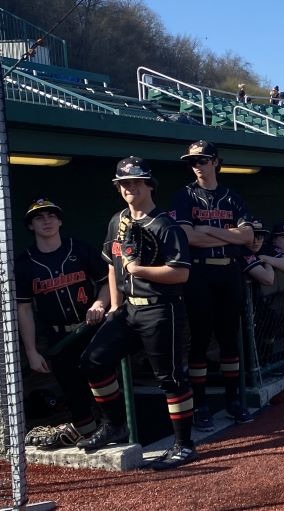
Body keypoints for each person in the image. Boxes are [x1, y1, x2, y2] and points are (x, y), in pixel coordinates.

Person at [77, 157, 197, 470]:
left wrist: (139, 269)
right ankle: (116, 425)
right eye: (124, 184)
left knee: (171, 379)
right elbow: (110, 263)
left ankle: (184, 445)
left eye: (136, 182)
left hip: (162, 309)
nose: (130, 188)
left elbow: (180, 273)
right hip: (128, 309)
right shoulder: (117, 221)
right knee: (93, 360)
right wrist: (115, 305)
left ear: (148, 185)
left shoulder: (165, 224)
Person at [172, 140, 254, 432]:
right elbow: (187, 237)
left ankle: (234, 401)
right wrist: (227, 234)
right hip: (199, 276)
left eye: (203, 160)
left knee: (230, 339)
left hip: (229, 273)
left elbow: (248, 237)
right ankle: (201, 405)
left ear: (216, 162)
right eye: (193, 162)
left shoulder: (231, 196)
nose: (197, 166)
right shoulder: (184, 196)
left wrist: (207, 230)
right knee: (200, 340)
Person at [15, 198, 110, 446]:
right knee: (73, 392)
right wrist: (32, 351)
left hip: (89, 328)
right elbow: (23, 309)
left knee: (104, 381)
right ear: (31, 226)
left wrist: (100, 304)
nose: (46, 221)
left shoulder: (78, 249)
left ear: (60, 221)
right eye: (39, 217)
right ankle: (88, 436)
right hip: (58, 338)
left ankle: (114, 427)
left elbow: (106, 281)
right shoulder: (24, 263)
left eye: (51, 216)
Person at [240, 218, 275, 286]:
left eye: (259, 237)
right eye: (252, 237)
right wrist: (268, 262)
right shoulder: (241, 251)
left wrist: (265, 258)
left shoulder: (264, 248)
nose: (256, 242)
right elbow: (268, 280)